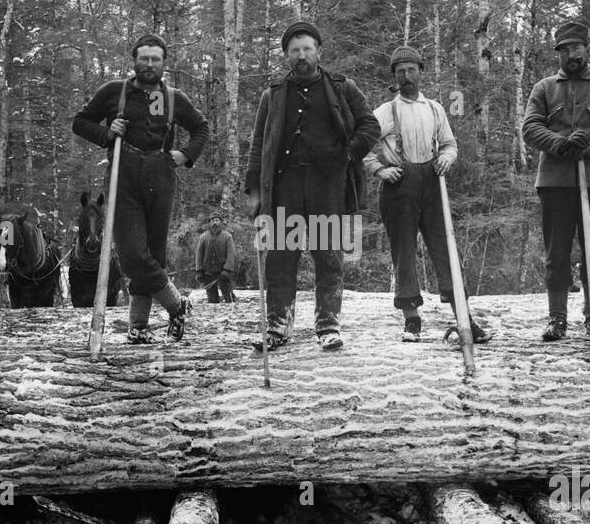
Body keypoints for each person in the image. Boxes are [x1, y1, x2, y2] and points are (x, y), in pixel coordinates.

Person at [244, 20, 380, 351]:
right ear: (286, 56)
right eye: (295, 51)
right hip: (284, 187)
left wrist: (348, 155)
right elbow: (258, 144)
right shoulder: (272, 95)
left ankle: (328, 324)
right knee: (280, 256)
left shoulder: (342, 87)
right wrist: (255, 192)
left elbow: (370, 125)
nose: (301, 55)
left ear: (318, 51)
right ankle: (277, 325)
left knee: (328, 256)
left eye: (307, 49)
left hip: (327, 187)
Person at [72, 33, 210, 344]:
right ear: (134, 60)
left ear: (164, 63)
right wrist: (108, 133)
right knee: (132, 252)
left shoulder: (174, 98)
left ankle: (138, 325)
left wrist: (186, 154)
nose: (149, 64)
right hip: (124, 173)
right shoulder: (113, 92)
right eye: (144, 58)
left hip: (161, 174)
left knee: (153, 253)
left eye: (155, 59)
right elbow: (80, 122)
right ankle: (177, 305)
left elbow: (201, 127)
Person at [364, 46, 490, 344]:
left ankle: (464, 317)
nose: (406, 77)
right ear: (394, 76)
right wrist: (380, 170)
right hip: (399, 188)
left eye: (411, 70)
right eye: (400, 72)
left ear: (421, 72)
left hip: (434, 186)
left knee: (446, 250)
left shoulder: (434, 108)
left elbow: (449, 144)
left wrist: (447, 157)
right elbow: (363, 147)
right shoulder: (385, 111)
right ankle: (411, 320)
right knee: (404, 252)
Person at [521, 20, 590, 341]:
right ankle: (557, 320)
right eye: (565, 49)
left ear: (587, 49)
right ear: (558, 53)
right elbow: (530, 127)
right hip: (554, 184)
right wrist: (559, 143)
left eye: (577, 48)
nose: (572, 54)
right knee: (556, 254)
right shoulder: (544, 88)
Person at [195, 212, 237, 303]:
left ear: (221, 223)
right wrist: (199, 271)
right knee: (212, 301)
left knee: (229, 299)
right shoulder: (203, 237)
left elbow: (231, 255)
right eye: (212, 221)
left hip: (223, 273)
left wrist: (227, 270)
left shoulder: (227, 237)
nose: (215, 223)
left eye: (217, 220)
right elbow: (199, 254)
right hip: (208, 273)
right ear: (209, 223)